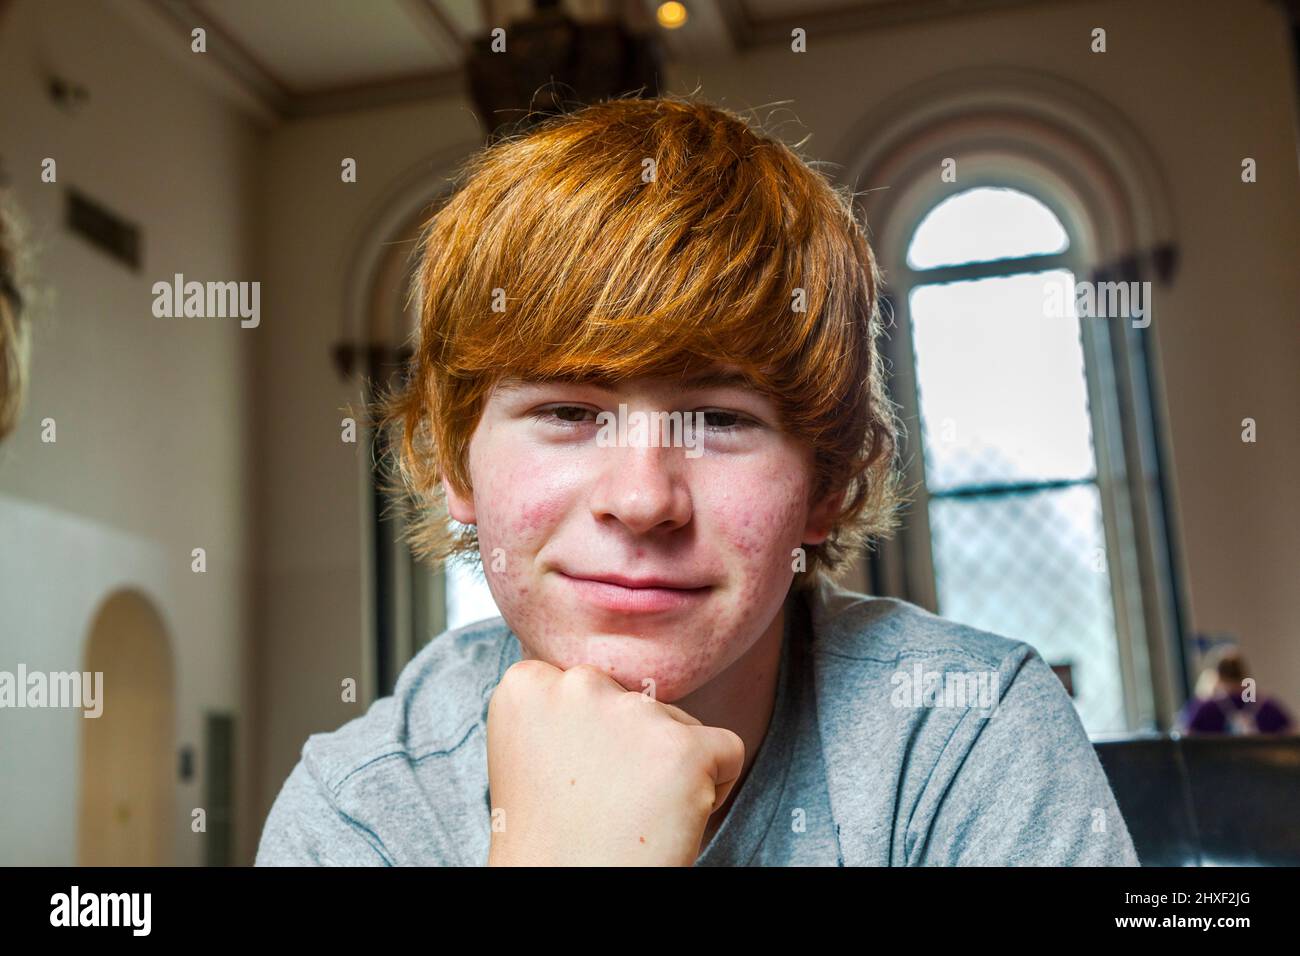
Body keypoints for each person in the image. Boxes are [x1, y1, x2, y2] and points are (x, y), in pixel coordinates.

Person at [256, 96, 1138, 866]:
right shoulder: (356, 815)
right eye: (569, 412)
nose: (642, 500)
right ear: (454, 463)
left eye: (720, 421)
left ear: (827, 485)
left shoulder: (966, 734)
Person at [1178, 646, 1293, 735]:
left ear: (1215, 675)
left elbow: (1184, 738)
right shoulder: (1267, 706)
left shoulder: (1204, 708)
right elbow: (1292, 735)